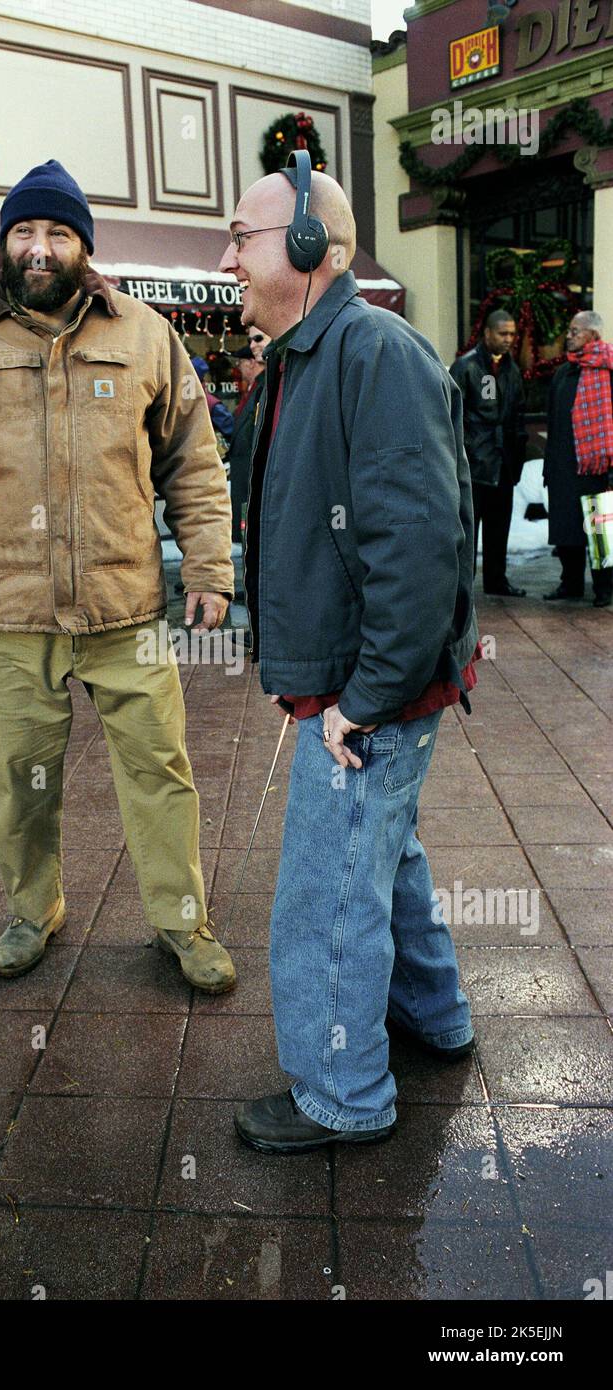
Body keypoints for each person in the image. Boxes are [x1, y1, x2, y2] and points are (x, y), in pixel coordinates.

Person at [0, 159, 237, 992]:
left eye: (57, 233)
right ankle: (32, 911)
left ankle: (182, 926)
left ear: (83, 245)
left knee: (160, 773)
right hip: (1, 616)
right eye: (25, 233)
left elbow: (194, 462)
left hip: (125, 611)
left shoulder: (145, 335)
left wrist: (209, 567)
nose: (39, 248)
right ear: (7, 244)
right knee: (17, 783)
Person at [217, 154, 479, 1153]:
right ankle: (436, 1018)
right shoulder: (305, 357)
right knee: (383, 854)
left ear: (305, 246)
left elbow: (418, 549)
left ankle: (343, 1095)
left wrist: (359, 702)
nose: (228, 256)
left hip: (371, 697)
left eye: (242, 236)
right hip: (365, 687)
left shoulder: (375, 353)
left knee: (328, 892)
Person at [449, 310, 528, 597]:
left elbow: (517, 415)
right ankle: (463, 587)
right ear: (487, 334)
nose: (508, 339)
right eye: (503, 333)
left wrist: (515, 459)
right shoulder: (466, 367)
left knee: (499, 527)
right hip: (473, 464)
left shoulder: (512, 370)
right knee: (468, 532)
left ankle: (497, 580)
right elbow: (452, 418)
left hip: (503, 464)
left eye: (512, 334)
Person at [543, 310, 613, 608]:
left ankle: (604, 589)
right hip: (564, 466)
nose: (568, 336)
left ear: (593, 336)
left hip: (599, 470)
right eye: (569, 330)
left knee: (600, 533)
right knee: (566, 530)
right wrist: (549, 467)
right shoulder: (564, 372)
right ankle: (570, 583)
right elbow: (553, 420)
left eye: (575, 331)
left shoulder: (609, 370)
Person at [226, 341, 265, 545]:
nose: (238, 367)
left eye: (240, 362)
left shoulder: (262, 386)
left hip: (249, 465)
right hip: (241, 465)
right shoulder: (252, 388)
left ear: (251, 363)